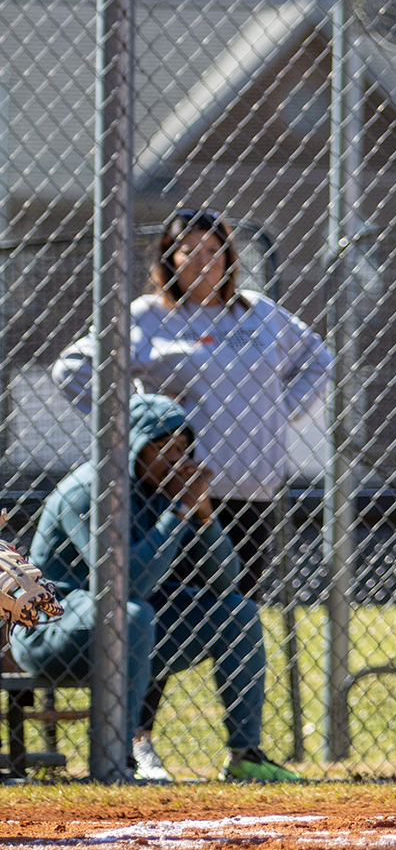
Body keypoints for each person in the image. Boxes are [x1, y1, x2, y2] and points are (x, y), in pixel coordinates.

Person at [53, 208, 331, 778]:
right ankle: (136, 741)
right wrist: (132, 431)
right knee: (161, 614)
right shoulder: (148, 319)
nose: (202, 260)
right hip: (173, 499)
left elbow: (318, 361)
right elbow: (73, 368)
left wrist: (281, 412)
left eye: (213, 249)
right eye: (188, 250)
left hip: (249, 497)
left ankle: (243, 753)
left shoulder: (259, 313)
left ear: (230, 257)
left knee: (233, 612)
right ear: (168, 261)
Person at [10, 393, 300, 781]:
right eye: (161, 447)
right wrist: (179, 512)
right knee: (134, 613)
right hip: (52, 629)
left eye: (182, 448)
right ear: (130, 447)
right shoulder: (91, 490)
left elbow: (226, 579)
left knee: (238, 613)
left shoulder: (163, 491)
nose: (176, 460)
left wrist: (203, 516)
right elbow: (127, 585)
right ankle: (117, 760)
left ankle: (245, 756)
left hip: (129, 625)